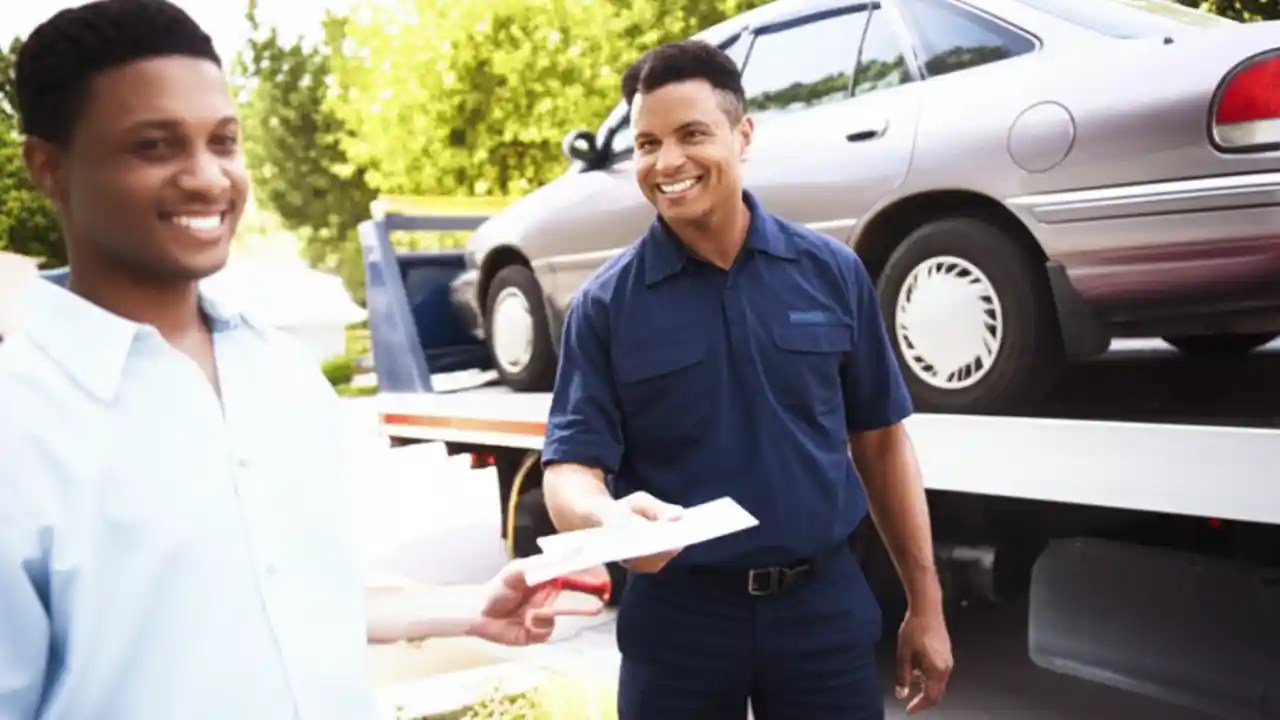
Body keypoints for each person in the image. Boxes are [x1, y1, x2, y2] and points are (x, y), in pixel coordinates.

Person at [0, 2, 603, 718]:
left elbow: (290, 595)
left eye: (223, 142)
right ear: (49, 167)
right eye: (154, 146)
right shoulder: (21, 425)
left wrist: (471, 609)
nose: (207, 178)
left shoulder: (281, 376)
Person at [541, 40, 954, 719]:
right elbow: (568, 473)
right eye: (646, 144)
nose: (666, 162)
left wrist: (926, 605)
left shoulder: (830, 273)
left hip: (821, 612)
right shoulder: (605, 307)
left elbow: (881, 443)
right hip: (679, 625)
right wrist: (609, 518)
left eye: (691, 135)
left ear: (743, 135)